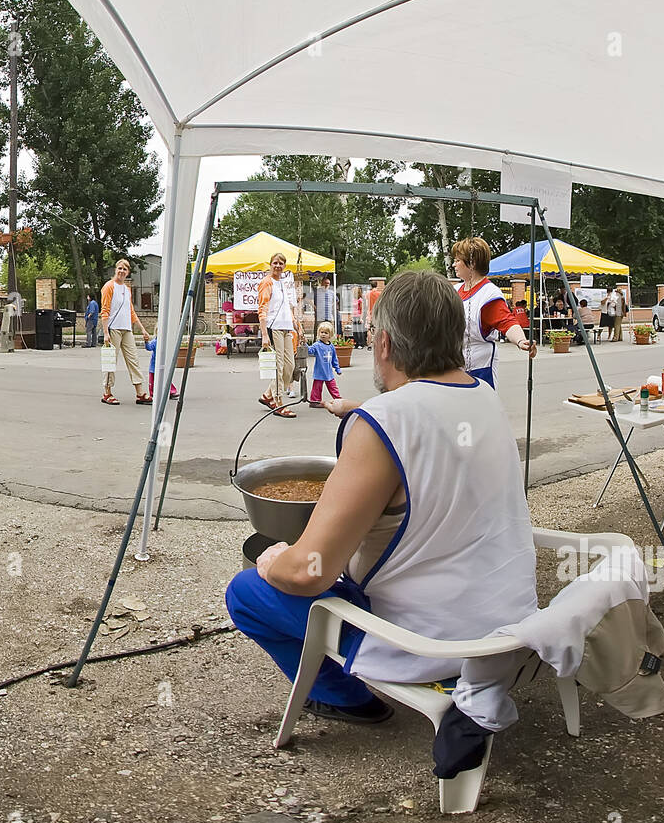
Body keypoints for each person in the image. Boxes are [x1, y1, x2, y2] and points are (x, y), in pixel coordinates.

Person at [225, 269, 539, 779]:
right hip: (510, 623)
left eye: (373, 335)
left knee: (247, 591)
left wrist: (271, 561)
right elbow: (428, 418)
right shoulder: (484, 397)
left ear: (385, 342)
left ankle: (348, 699)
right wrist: (368, 413)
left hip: (432, 642)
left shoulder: (384, 424)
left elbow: (311, 572)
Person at [450, 238, 536, 387]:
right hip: (453, 364)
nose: (454, 264)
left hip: (479, 367)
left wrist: (521, 341)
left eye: (458, 260)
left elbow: (507, 322)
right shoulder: (455, 290)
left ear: (472, 263)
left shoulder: (489, 294)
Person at [254, 252, 301, 417]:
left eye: (281, 263)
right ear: (270, 264)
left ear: (284, 266)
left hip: (287, 327)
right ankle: (278, 402)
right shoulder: (266, 282)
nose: (278, 266)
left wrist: (295, 323)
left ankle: (268, 394)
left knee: (290, 366)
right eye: (275, 262)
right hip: (274, 327)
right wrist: (264, 334)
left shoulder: (282, 283)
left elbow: (286, 306)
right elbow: (262, 308)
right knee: (279, 366)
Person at [98, 258, 148, 406]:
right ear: (115, 270)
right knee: (110, 361)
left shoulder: (126, 289)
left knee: (133, 360)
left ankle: (140, 393)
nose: (121, 271)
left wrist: (142, 328)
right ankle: (107, 393)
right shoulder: (109, 287)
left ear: (128, 272)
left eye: (124, 269)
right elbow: (105, 311)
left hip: (127, 329)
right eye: (119, 268)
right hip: (113, 329)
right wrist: (106, 332)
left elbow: (131, 311)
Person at [306, 319, 340, 407]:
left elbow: (334, 359)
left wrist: (337, 368)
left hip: (328, 372)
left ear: (330, 335)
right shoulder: (317, 345)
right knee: (317, 387)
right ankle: (314, 401)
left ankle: (338, 400)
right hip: (319, 372)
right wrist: (305, 344)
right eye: (321, 332)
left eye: (326, 333)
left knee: (333, 387)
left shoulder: (331, 346)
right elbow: (310, 351)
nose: (323, 334)